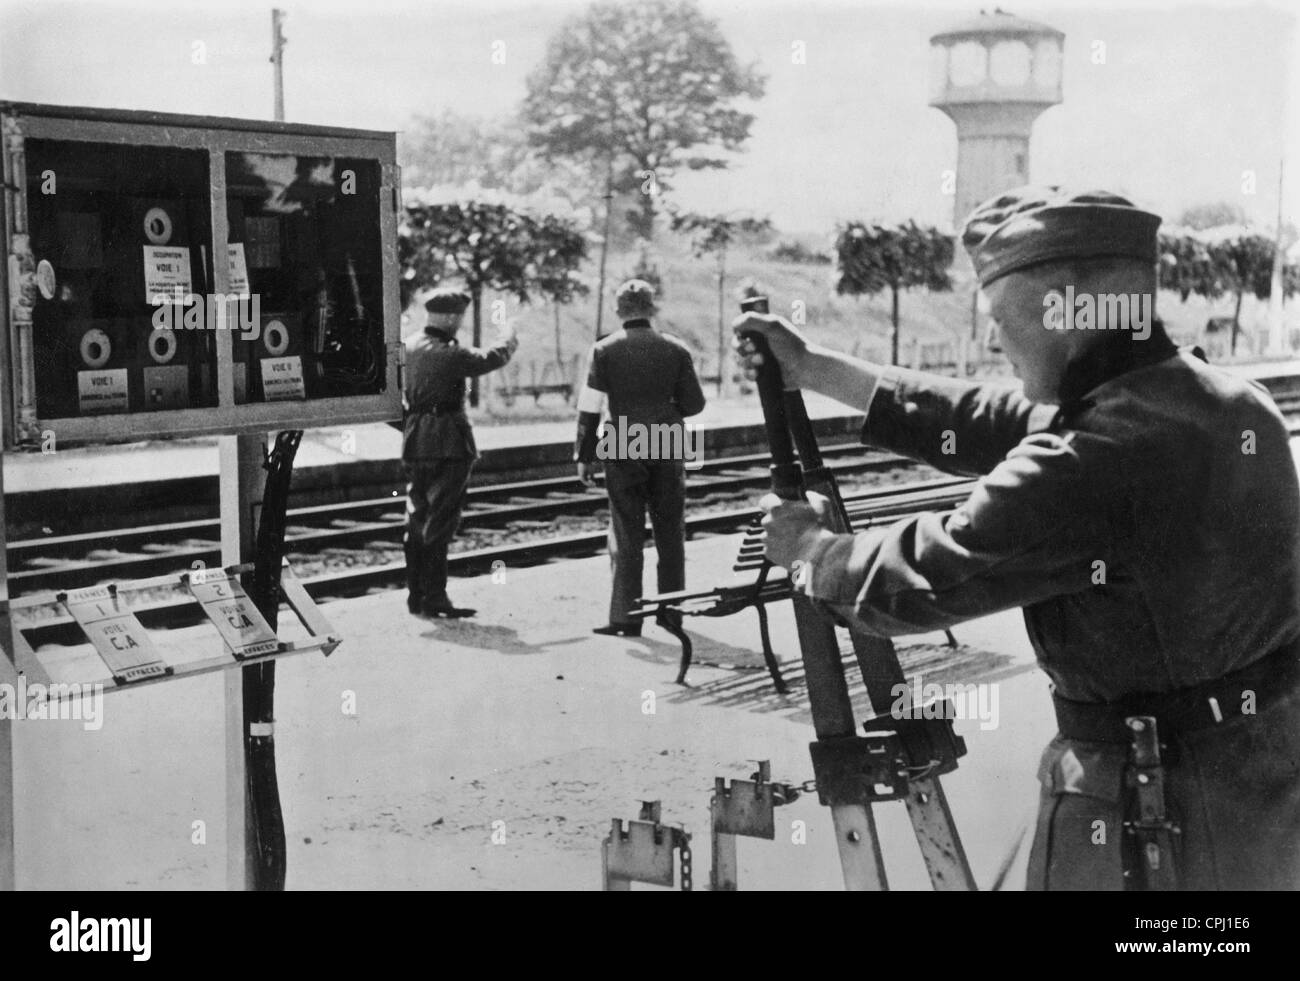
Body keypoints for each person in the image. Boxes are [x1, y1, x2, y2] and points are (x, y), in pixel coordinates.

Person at [733, 186, 1300, 890]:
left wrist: (814, 550)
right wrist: (812, 366)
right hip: (1260, 779)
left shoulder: (1095, 457)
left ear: (1062, 309)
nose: (992, 338)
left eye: (1000, 317)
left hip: (1155, 817)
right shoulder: (1224, 401)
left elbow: (928, 575)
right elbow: (985, 414)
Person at [575, 279, 707, 636]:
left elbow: (589, 408)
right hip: (668, 441)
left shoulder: (603, 350)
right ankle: (672, 612)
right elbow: (695, 405)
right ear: (652, 309)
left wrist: (584, 454)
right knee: (670, 530)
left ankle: (626, 618)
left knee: (626, 531)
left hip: (622, 441)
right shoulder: (677, 349)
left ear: (619, 311)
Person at [402, 287, 517, 618]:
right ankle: (435, 598)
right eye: (460, 318)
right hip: (449, 443)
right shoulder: (450, 354)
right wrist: (509, 336)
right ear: (451, 318)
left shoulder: (408, 347)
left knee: (416, 515)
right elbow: (491, 358)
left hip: (416, 440)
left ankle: (416, 594)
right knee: (441, 520)